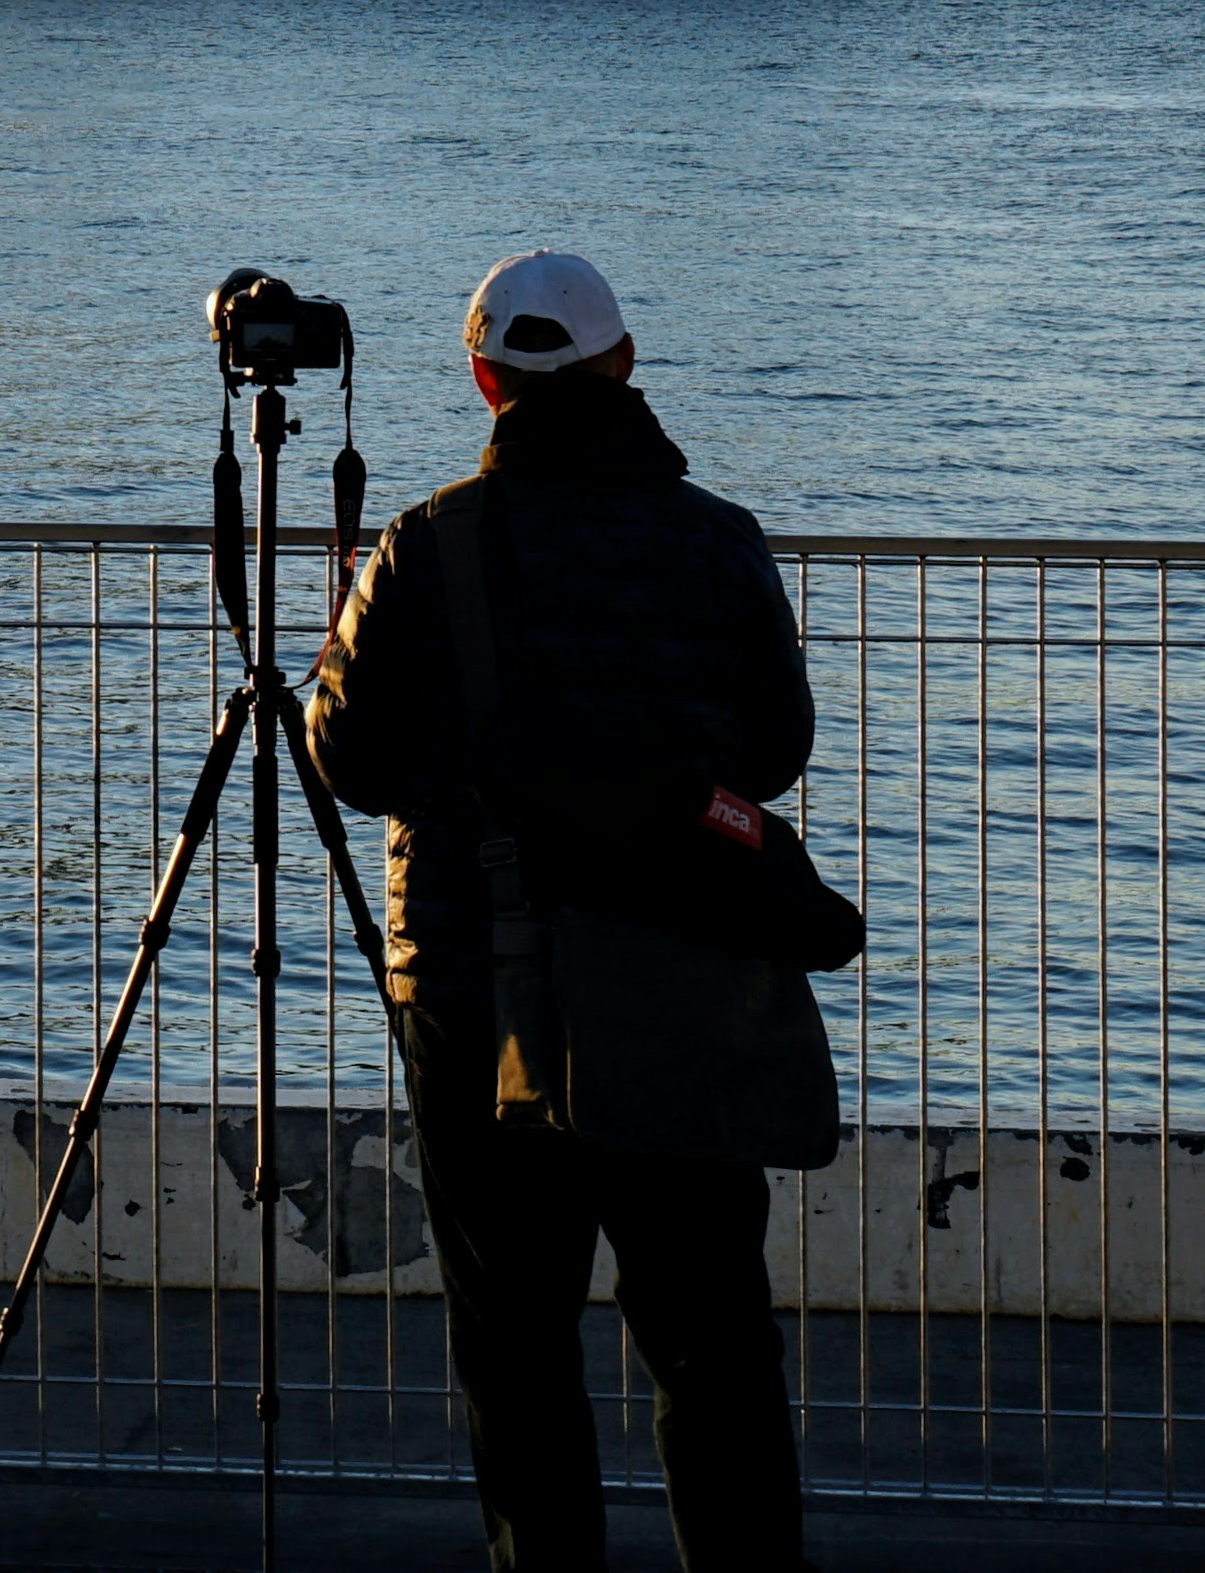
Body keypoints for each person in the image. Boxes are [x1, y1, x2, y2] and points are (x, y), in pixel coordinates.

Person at [299, 250, 817, 1573]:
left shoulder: (426, 547)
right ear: (622, 363)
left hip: (475, 986)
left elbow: (347, 764)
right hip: (684, 981)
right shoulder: (717, 540)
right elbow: (769, 750)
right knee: (709, 1331)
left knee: (515, 1340)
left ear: (482, 381)